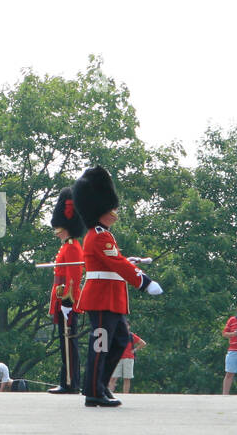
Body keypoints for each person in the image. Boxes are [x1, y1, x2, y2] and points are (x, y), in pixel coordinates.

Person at [72, 165, 162, 407]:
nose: (115, 213)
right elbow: (117, 263)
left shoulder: (103, 235)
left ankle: (99, 385)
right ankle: (93, 391)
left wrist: (126, 262)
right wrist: (144, 281)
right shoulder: (99, 235)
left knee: (122, 341)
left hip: (111, 298)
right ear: (100, 210)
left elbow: (115, 261)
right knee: (100, 346)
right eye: (111, 209)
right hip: (101, 299)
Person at [47, 186, 86, 395]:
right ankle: (68, 380)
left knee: (69, 342)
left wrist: (67, 301)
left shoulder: (71, 247)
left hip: (67, 300)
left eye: (60, 228)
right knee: (65, 342)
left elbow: (73, 276)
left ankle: (70, 382)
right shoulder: (67, 245)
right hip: (62, 299)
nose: (57, 231)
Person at [109, 331, 146, 395]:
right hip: (118, 358)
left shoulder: (131, 335)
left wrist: (135, 350)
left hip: (128, 358)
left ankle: (125, 395)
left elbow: (143, 343)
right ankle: (110, 393)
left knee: (127, 378)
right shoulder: (116, 334)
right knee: (113, 377)